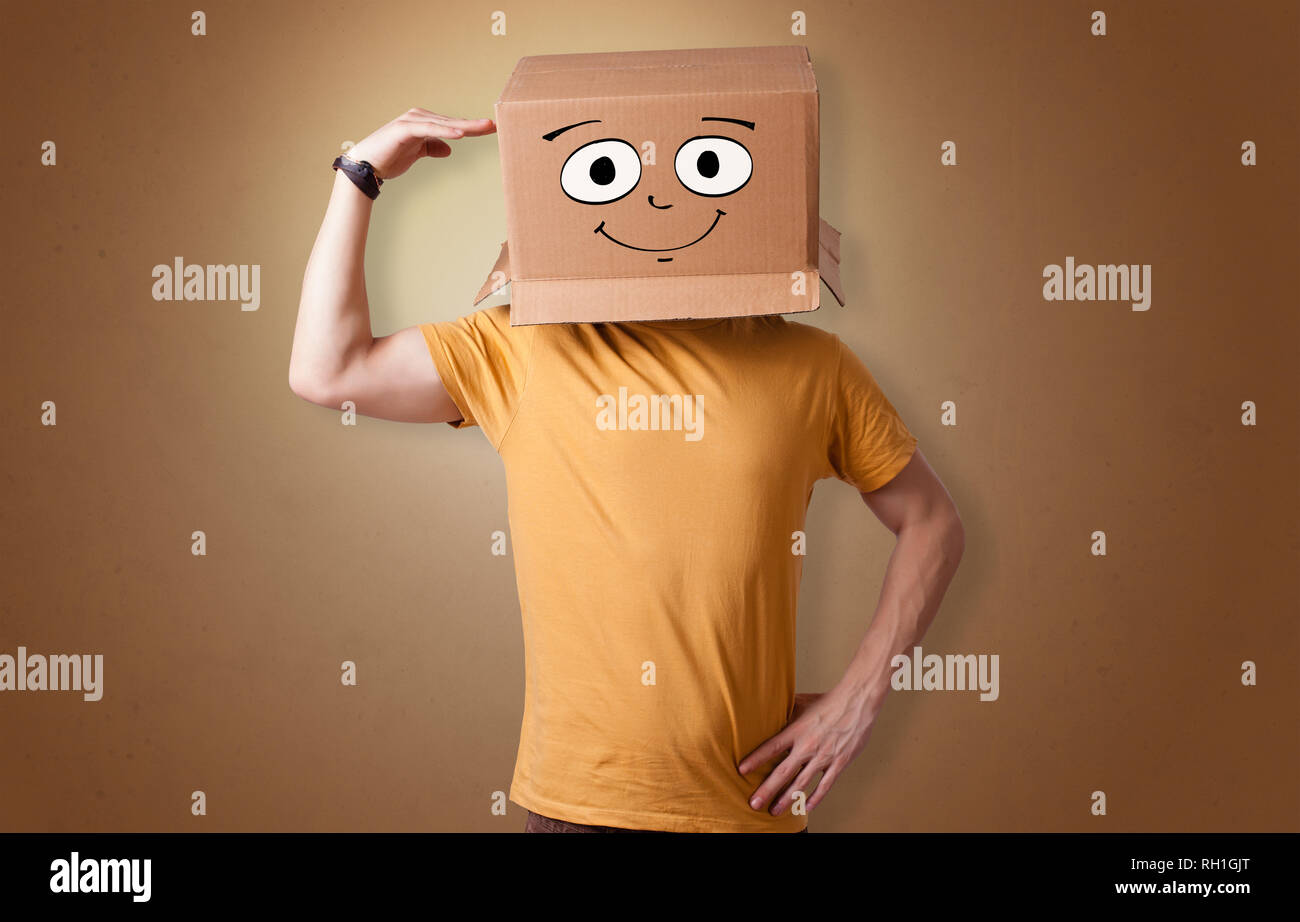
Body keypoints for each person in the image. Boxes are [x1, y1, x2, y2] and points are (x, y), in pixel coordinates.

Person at [289, 109, 966, 833]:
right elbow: (328, 370)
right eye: (613, 173)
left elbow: (932, 522)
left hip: (750, 808)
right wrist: (358, 175)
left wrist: (861, 697)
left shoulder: (813, 366)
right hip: (574, 811)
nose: (661, 202)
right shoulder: (521, 348)